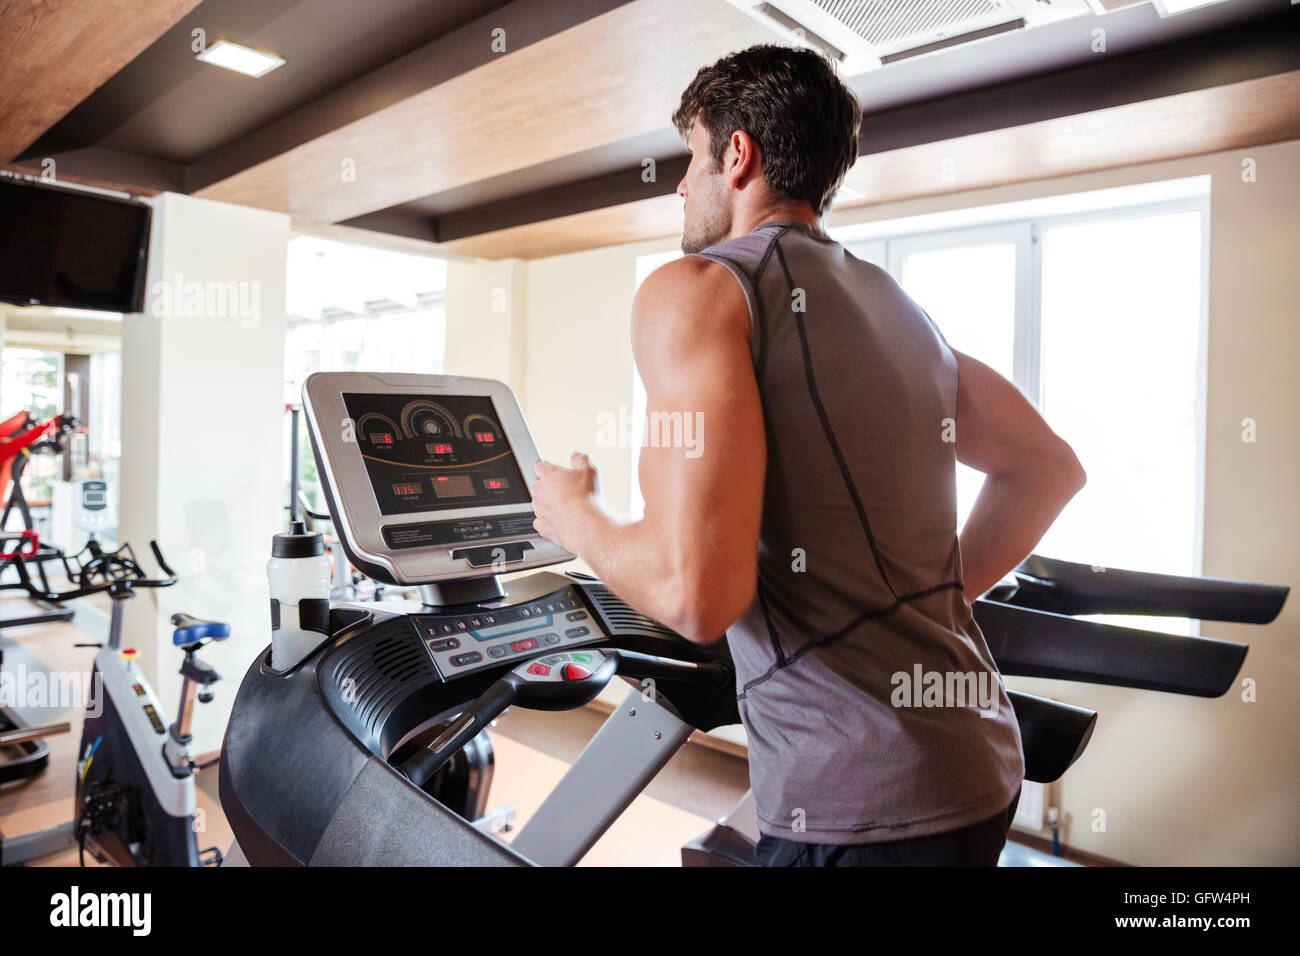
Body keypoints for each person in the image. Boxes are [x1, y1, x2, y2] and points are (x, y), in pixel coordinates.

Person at [530, 44, 1086, 867]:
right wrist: (916, 596)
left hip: (857, 806)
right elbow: (1049, 468)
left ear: (739, 154)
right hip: (981, 768)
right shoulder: (904, 310)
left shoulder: (695, 290)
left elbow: (695, 596)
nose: (681, 186)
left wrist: (574, 515)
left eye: (691, 158)